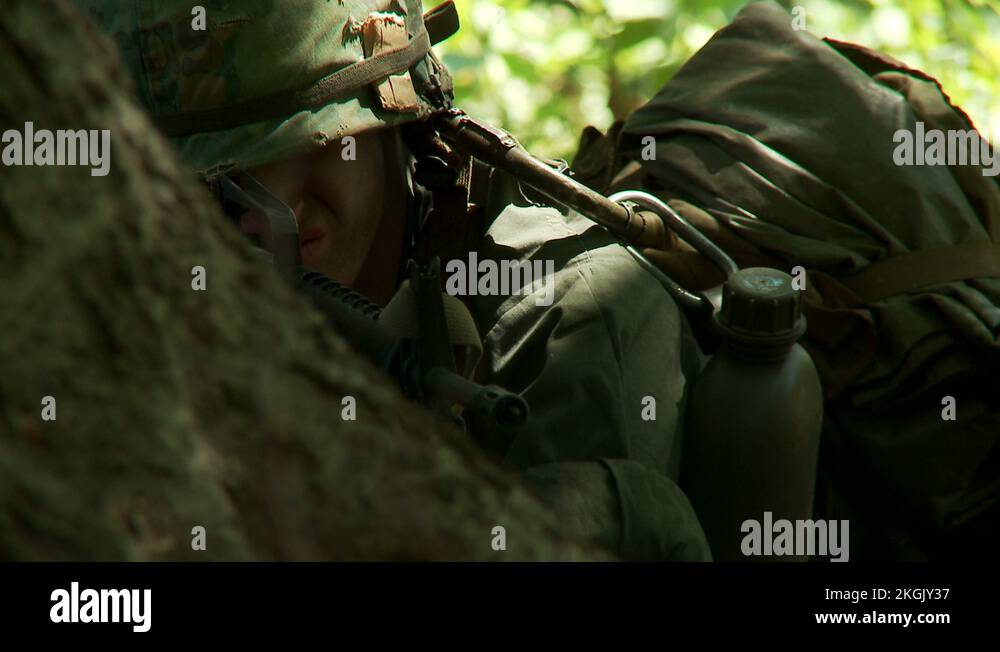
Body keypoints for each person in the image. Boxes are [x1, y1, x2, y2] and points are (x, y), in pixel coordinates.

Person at [78, 0, 711, 561]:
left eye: (298, 139)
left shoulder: (567, 320)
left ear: (393, 112)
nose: (271, 211)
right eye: (213, 179)